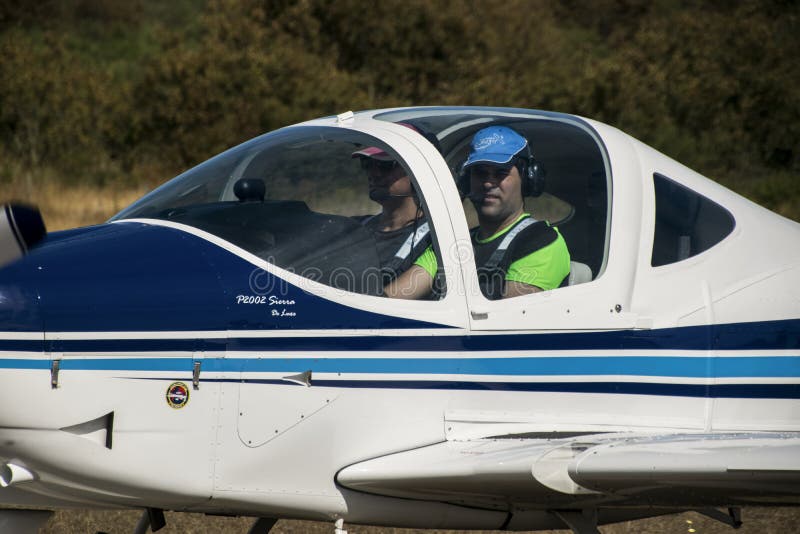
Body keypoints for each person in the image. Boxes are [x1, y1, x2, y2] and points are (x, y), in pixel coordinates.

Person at [386, 125, 570, 300]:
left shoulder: (540, 243)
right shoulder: (453, 243)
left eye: (500, 173)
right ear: (466, 182)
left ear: (527, 179)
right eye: (480, 173)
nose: (489, 183)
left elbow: (507, 323)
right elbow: (391, 299)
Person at [352, 124, 431, 289]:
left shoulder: (434, 238)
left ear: (417, 171)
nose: (373, 173)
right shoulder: (355, 228)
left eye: (384, 165)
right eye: (367, 163)